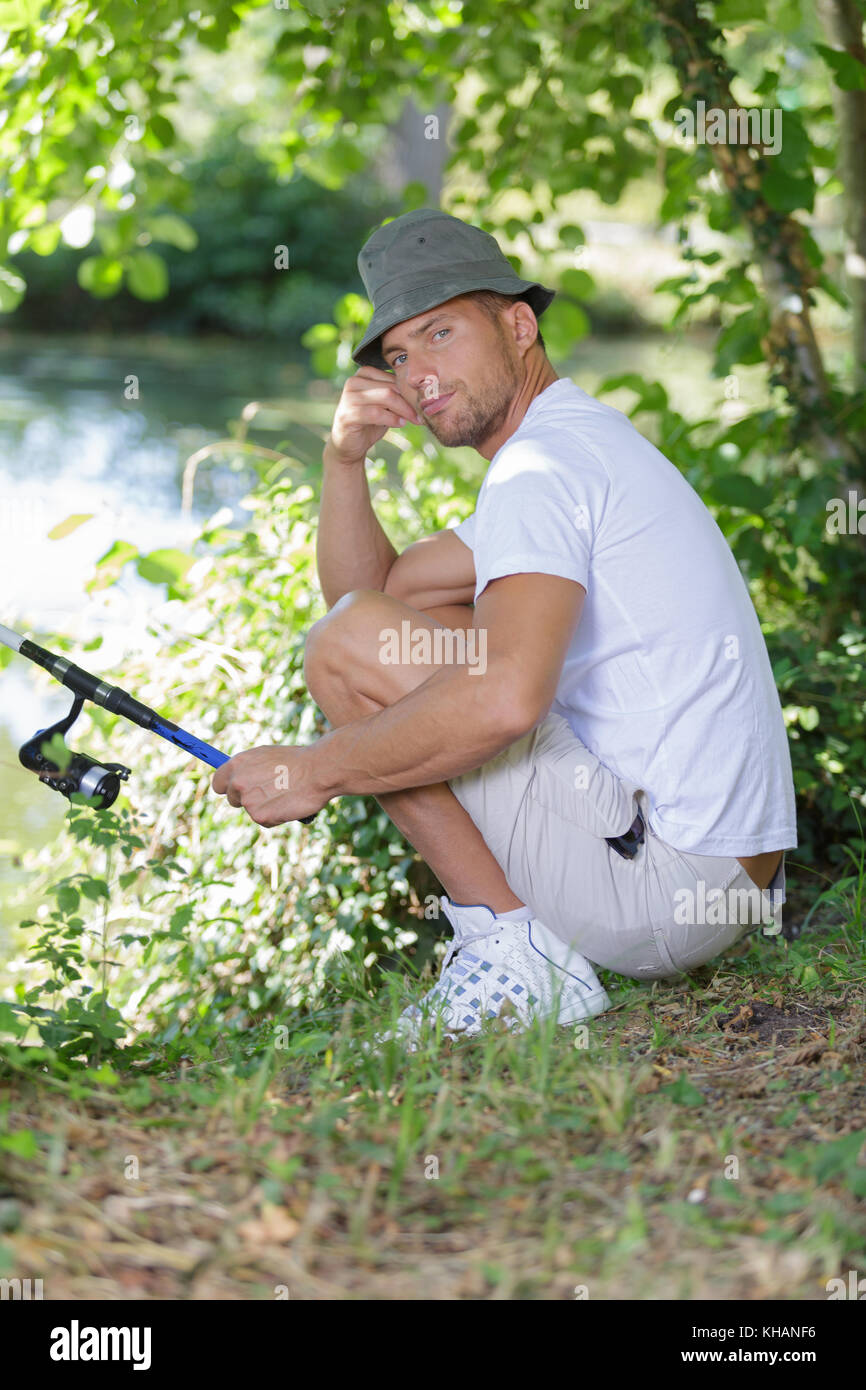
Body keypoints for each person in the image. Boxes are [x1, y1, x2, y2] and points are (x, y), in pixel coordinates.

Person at [213, 208, 797, 1049]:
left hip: (667, 887)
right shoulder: (573, 443)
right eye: (400, 356)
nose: (419, 374)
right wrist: (344, 461)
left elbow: (500, 699)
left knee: (358, 649)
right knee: (394, 626)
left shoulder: (540, 468)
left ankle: (517, 954)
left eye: (441, 333)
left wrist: (316, 770)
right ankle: (528, 943)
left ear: (520, 325)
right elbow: (372, 596)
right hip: (722, 879)